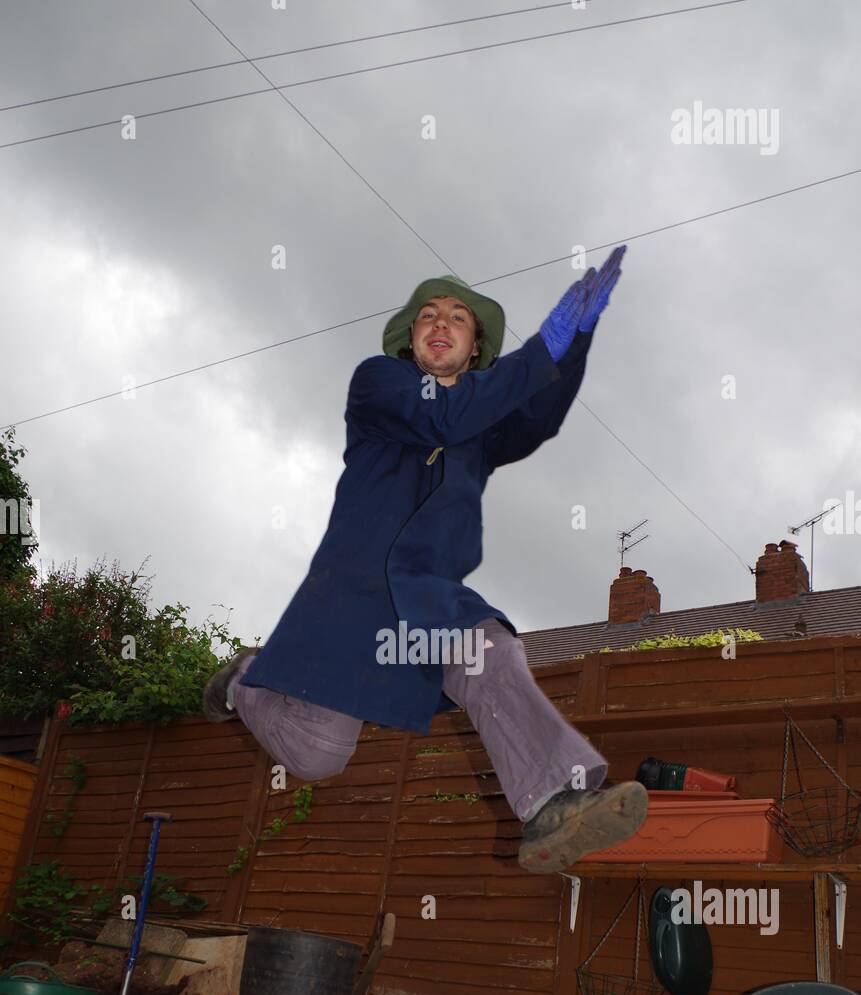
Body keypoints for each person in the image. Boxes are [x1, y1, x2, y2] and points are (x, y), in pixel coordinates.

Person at [204, 248, 647, 872]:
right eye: (427, 316)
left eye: (458, 319)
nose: (440, 324)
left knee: (488, 652)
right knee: (318, 755)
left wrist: (574, 337)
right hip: (351, 600)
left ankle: (554, 802)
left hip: (427, 600)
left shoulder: (478, 428)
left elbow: (535, 418)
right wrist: (541, 349)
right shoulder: (380, 384)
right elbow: (443, 414)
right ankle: (247, 678)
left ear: (476, 352)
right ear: (411, 342)